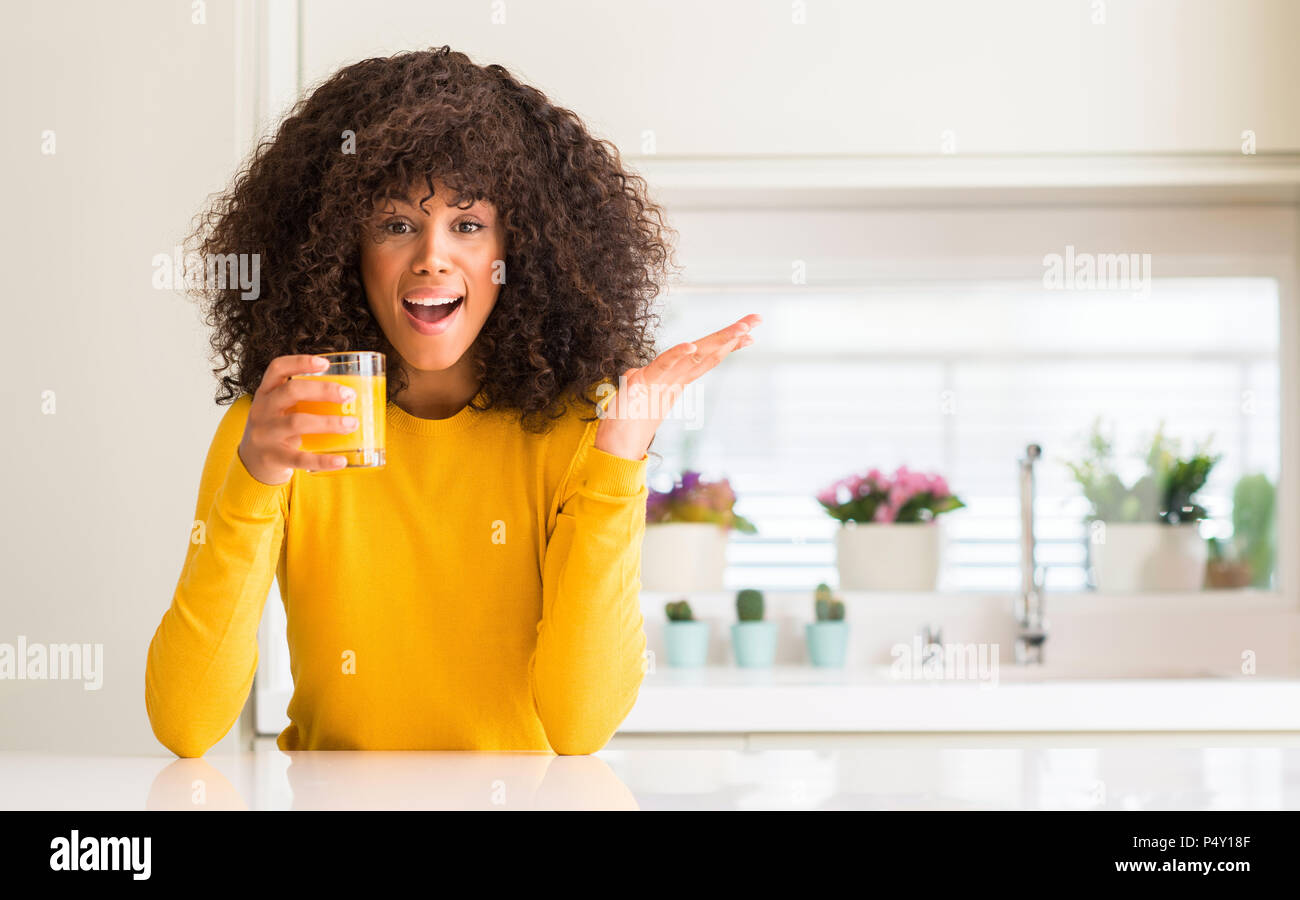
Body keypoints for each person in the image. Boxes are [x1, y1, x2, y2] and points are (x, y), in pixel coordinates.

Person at [145, 45, 759, 756]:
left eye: (467, 226)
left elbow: (579, 724)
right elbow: (186, 723)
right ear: (344, 248)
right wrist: (254, 480)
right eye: (396, 224)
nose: (431, 256)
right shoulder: (284, 426)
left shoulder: (575, 433)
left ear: (518, 248)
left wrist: (618, 460)